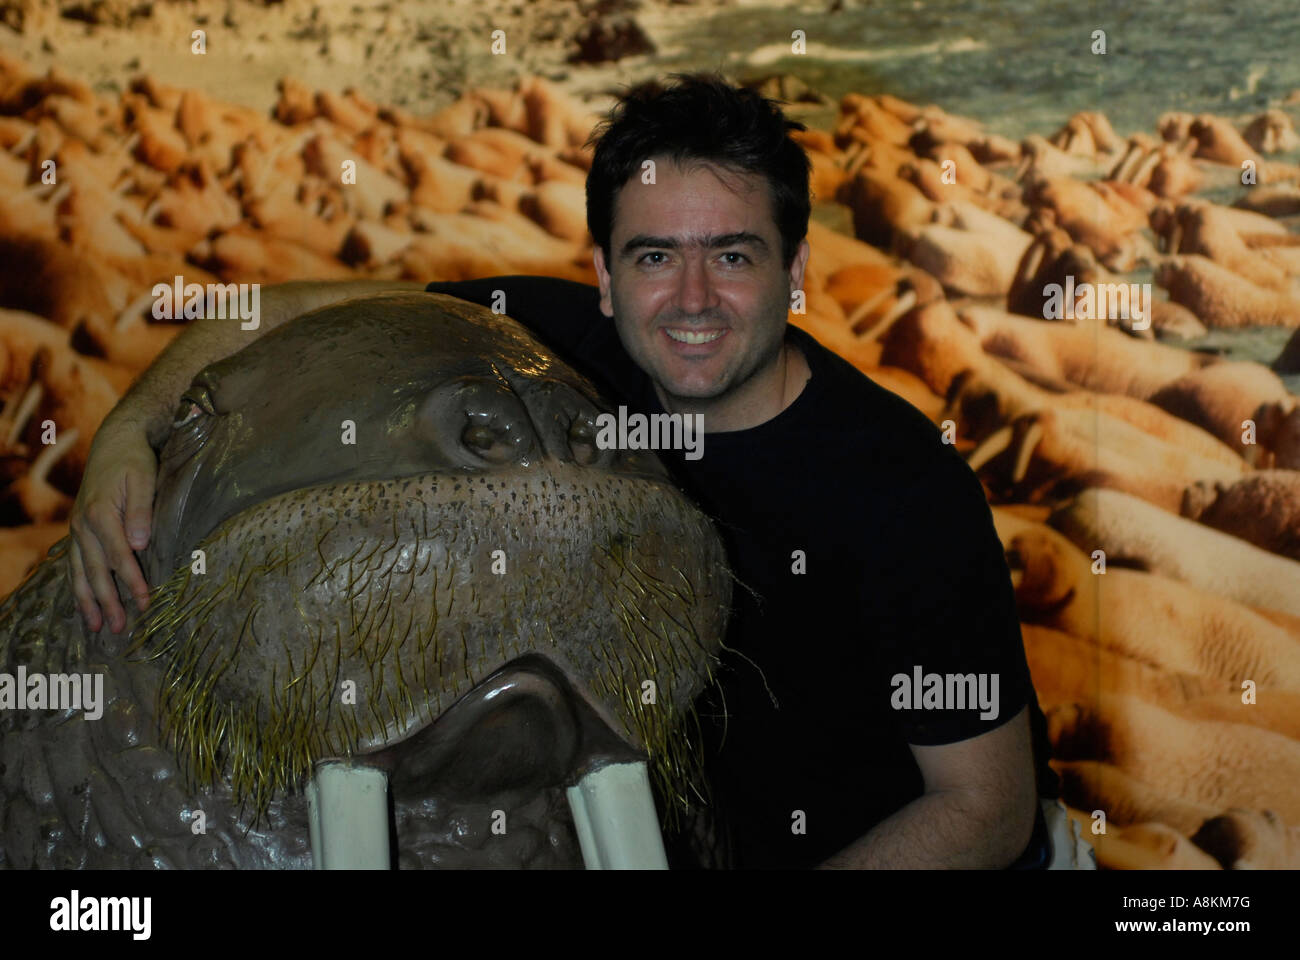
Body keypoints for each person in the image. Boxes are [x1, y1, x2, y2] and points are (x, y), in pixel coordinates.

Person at [67, 71, 1062, 869]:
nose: (690, 299)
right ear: (604, 273)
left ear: (796, 271)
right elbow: (285, 311)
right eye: (652, 258)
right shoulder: (561, 346)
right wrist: (131, 427)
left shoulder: (900, 489)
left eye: (733, 256)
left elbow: (984, 812)